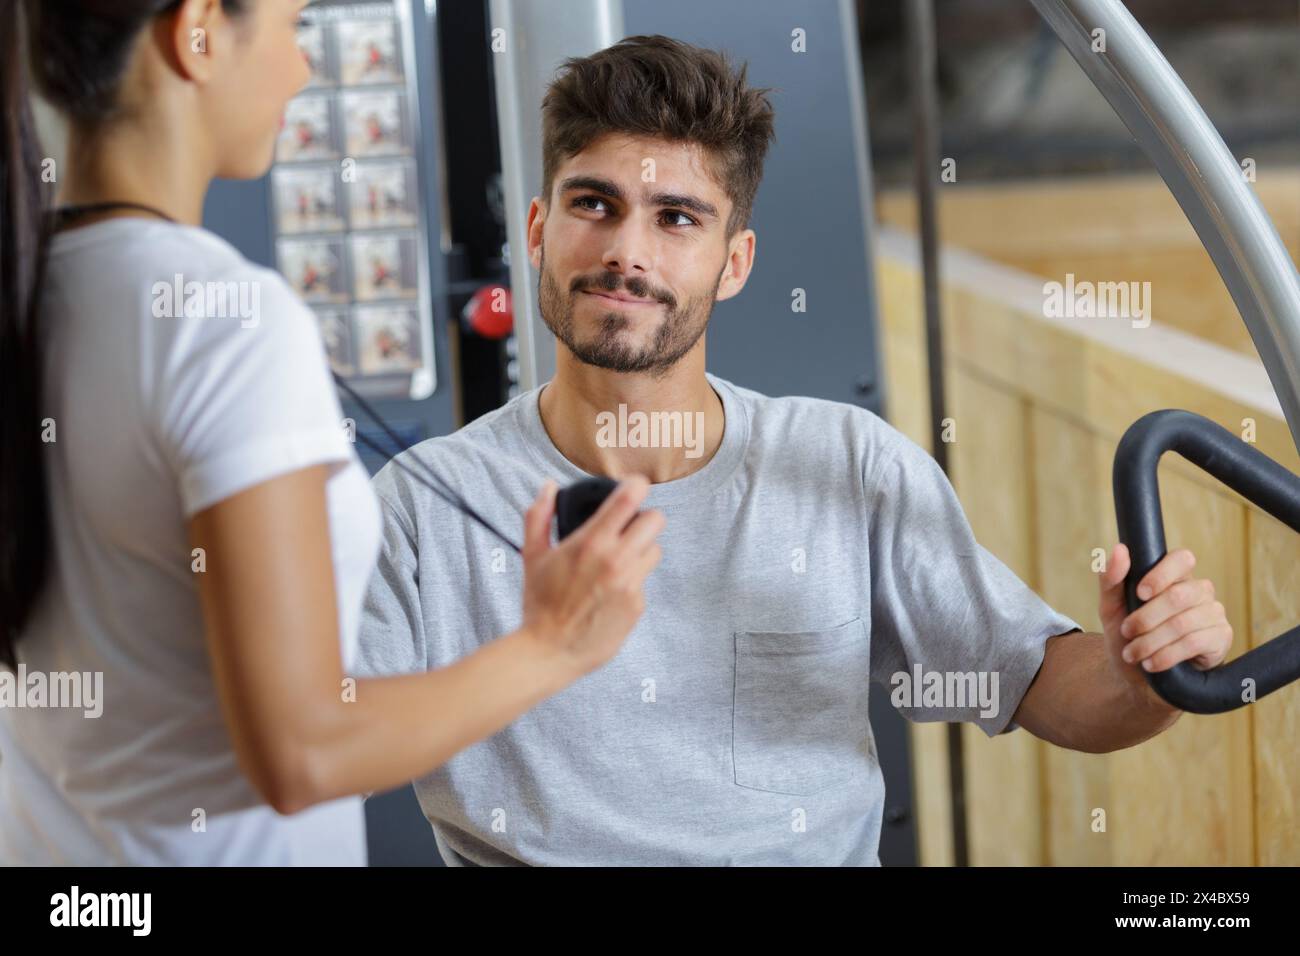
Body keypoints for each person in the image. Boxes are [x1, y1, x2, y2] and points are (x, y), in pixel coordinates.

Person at [354, 34, 1235, 866]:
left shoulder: (847, 464)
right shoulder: (424, 502)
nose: (627, 253)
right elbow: (330, 743)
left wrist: (1143, 677)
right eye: (596, 205)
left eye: (676, 219)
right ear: (539, 230)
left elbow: (1036, 685)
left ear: (734, 263)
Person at [0, 0, 664, 865]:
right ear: (198, 33)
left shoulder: (34, 296)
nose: (301, 70)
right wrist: (554, 643)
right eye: (292, 30)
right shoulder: (219, 322)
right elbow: (304, 750)